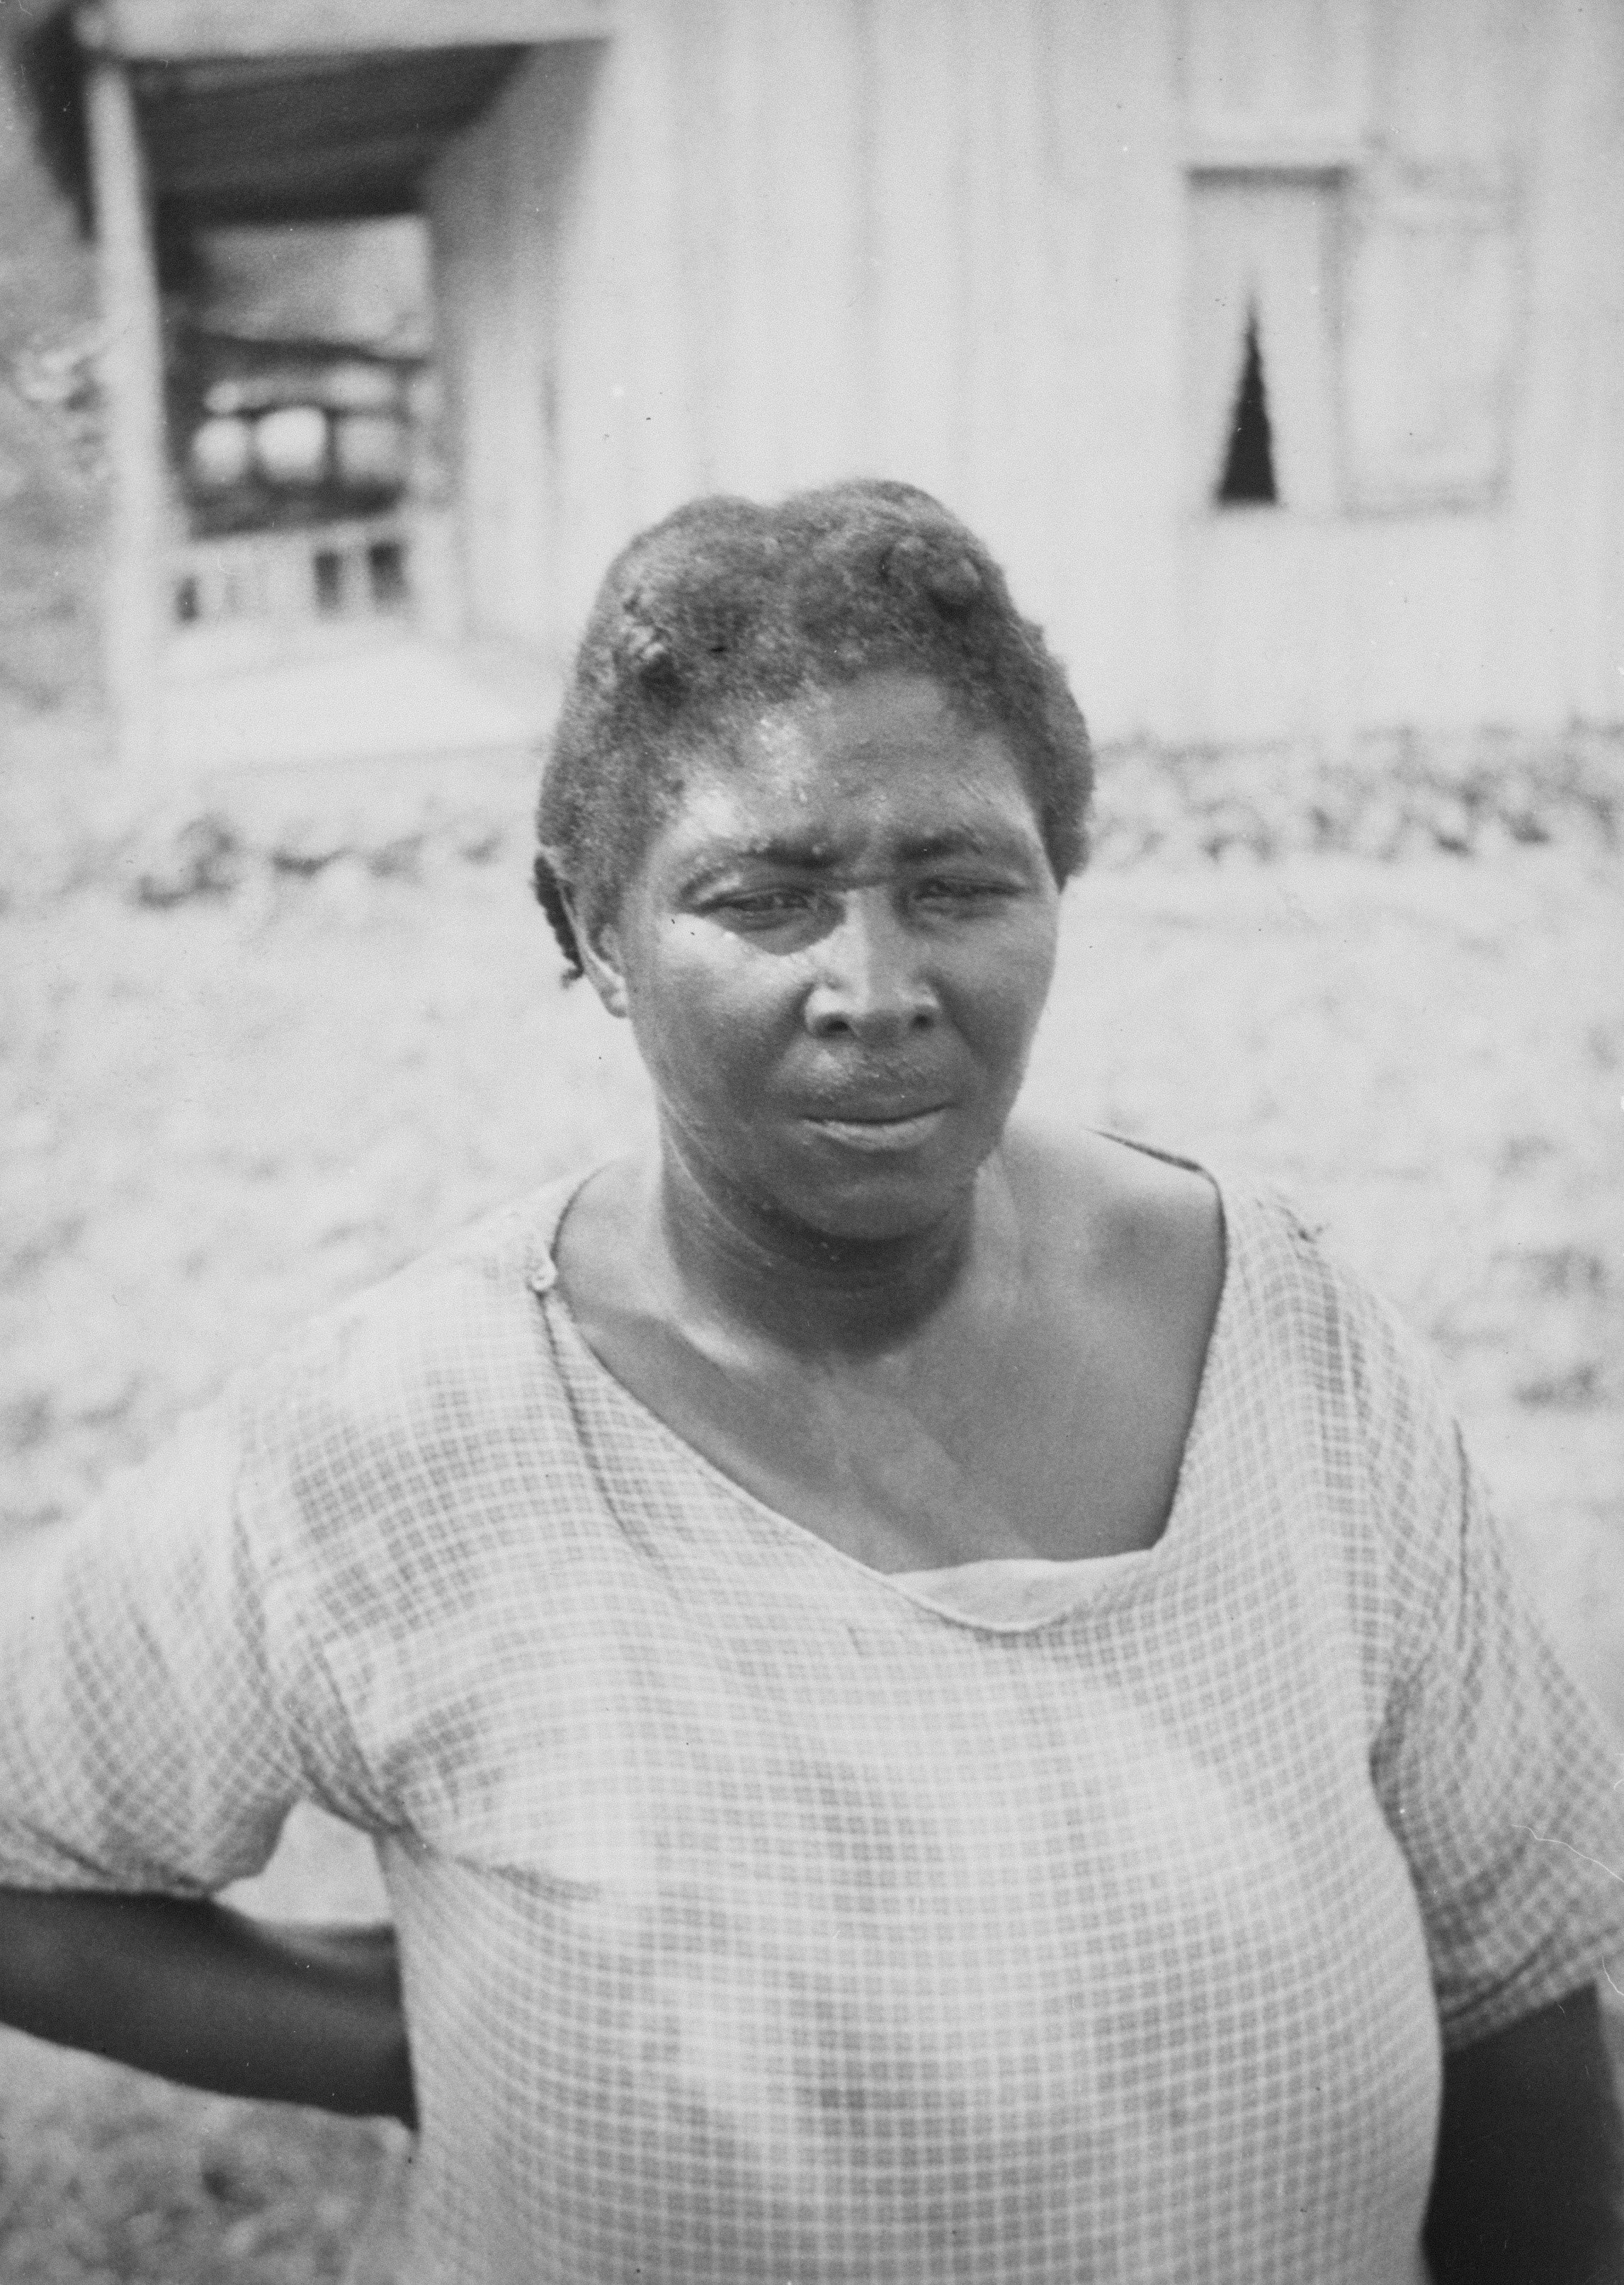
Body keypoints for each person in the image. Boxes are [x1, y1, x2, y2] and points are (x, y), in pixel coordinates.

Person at [1, 480, 1621, 2285]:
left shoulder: (1280, 1329)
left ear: (1055, 882)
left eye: (957, 883)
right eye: (762, 897)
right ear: (596, 929)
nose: (875, 985)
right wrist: (406, 2037)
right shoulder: (401, 1439)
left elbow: (1514, 1974)